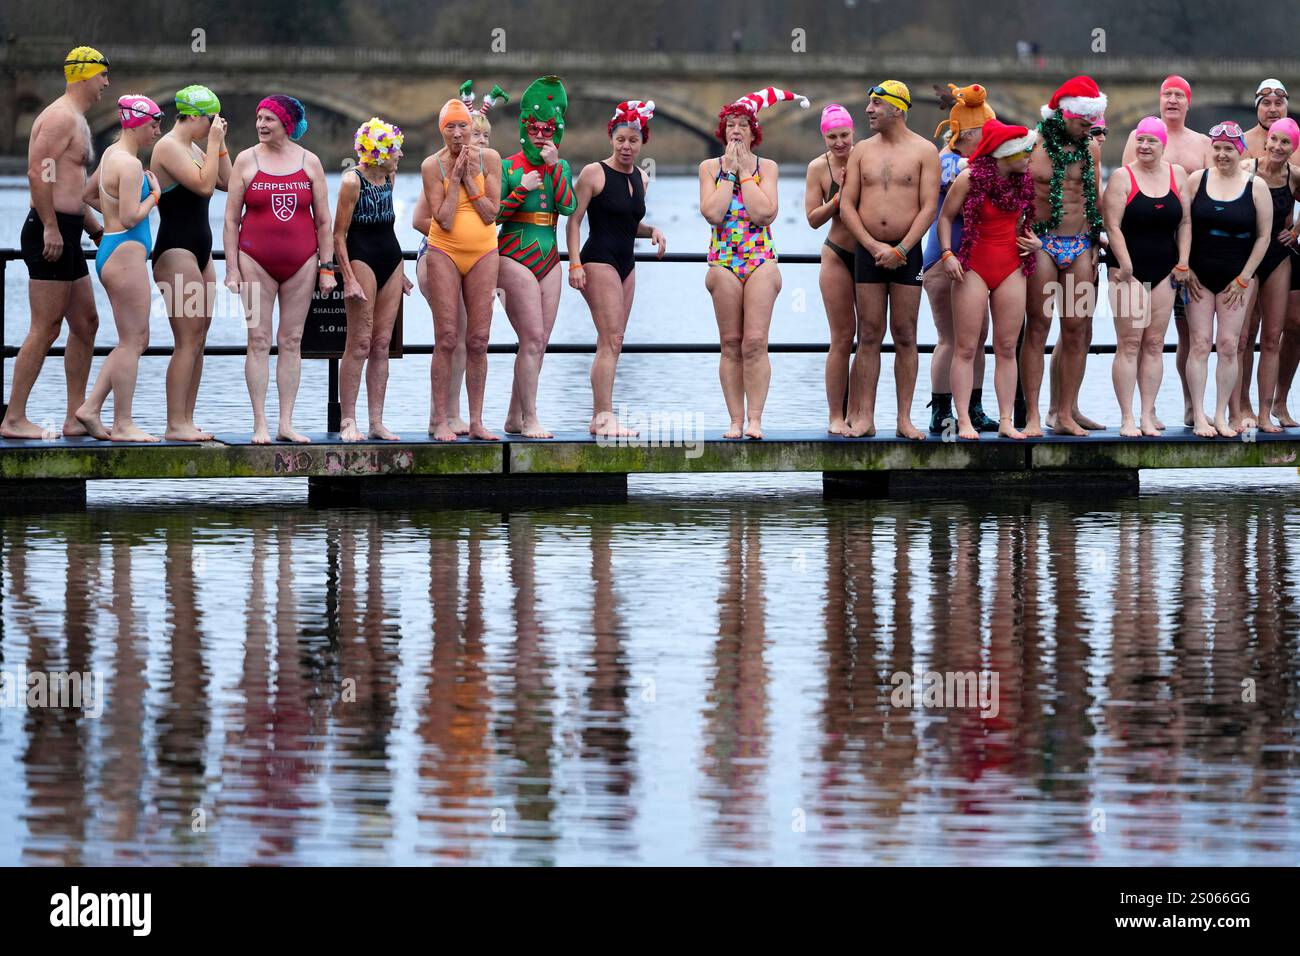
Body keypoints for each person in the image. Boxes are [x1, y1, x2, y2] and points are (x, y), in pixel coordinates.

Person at [3, 46, 108, 440]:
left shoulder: (77, 119)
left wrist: (94, 228)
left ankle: (75, 415)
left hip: (69, 227)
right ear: (84, 76)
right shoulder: (60, 117)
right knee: (45, 327)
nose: (106, 84)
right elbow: (37, 173)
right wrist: (49, 226)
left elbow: (71, 185)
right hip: (49, 230)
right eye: (102, 76)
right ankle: (14, 417)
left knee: (86, 324)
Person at [224, 94, 335, 444]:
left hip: (302, 260)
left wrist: (327, 268)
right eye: (258, 117)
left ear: (286, 124)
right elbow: (230, 220)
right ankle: (260, 424)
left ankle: (286, 423)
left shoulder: (310, 162)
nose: (260, 124)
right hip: (255, 259)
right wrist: (231, 269)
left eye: (269, 118)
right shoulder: (246, 160)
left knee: (291, 340)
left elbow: (324, 222)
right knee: (258, 340)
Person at [700, 86, 807, 440]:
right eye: (731, 124)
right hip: (724, 260)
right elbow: (713, 214)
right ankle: (734, 420)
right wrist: (729, 173)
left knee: (755, 342)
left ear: (754, 132)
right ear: (722, 130)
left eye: (743, 125)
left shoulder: (768, 168)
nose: (736, 131)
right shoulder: (709, 168)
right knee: (730, 342)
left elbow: (764, 215)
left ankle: (756, 420)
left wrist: (746, 172)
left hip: (760, 258)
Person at [839, 80, 941, 439]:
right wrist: (870, 244)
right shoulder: (862, 150)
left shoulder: (925, 151)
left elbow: (929, 206)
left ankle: (904, 419)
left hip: (907, 251)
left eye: (875, 104)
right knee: (868, 333)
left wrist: (902, 248)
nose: (868, 110)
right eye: (869, 104)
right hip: (868, 251)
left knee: (905, 334)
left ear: (897, 108)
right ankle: (864, 417)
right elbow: (847, 204)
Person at [567, 100, 666, 436]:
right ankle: (603, 417)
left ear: (642, 144)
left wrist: (651, 230)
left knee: (614, 340)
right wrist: (575, 263)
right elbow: (575, 220)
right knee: (610, 338)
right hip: (598, 258)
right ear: (612, 138)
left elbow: (627, 222)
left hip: (627, 262)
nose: (626, 146)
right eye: (621, 139)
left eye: (633, 141)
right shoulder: (594, 173)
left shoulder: (641, 177)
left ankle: (602, 417)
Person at [937, 119, 1040, 440]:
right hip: (973, 265)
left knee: (1007, 347)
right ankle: (965, 420)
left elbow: (1027, 223)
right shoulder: (969, 178)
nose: (1030, 157)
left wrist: (1036, 243)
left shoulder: (1023, 182)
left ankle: (1007, 420)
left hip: (1011, 265)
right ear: (1005, 153)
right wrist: (947, 254)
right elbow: (945, 218)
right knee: (966, 347)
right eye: (1025, 152)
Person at [413, 82, 506, 436]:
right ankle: (439, 420)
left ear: (472, 128)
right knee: (447, 337)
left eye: (462, 126)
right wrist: (454, 178)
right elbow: (445, 218)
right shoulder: (431, 165)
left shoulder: (491, 160)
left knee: (479, 338)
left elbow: (490, 214)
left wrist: (471, 181)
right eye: (450, 127)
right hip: (444, 252)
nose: (457, 133)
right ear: (442, 130)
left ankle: (477, 421)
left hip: (483, 251)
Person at [1121, 75, 1213, 430]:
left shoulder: (1202, 143)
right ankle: (1149, 410)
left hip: (1188, 251)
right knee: (1143, 334)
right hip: (1147, 249)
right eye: (1167, 94)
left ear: (1188, 103)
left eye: (1179, 95)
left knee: (1189, 332)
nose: (1172, 100)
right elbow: (1125, 188)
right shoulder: (1142, 136)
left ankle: (1193, 406)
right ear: (1159, 100)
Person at [73, 95, 163, 442]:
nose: (157, 130)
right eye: (154, 123)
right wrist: (154, 195)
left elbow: (87, 193)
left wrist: (111, 212)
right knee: (132, 341)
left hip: (114, 249)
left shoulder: (111, 153)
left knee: (136, 340)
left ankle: (91, 408)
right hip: (124, 255)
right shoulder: (128, 165)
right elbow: (130, 216)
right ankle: (122, 423)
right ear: (136, 123)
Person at [1023, 75, 1107, 437]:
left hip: (1079, 244)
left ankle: (1064, 413)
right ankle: (1031, 415)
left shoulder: (1091, 148)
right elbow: (1014, 193)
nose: (1088, 128)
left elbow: (1095, 198)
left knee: (1075, 330)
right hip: (1041, 242)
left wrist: (1097, 240)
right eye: (1083, 122)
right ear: (1063, 114)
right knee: (1038, 329)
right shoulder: (1030, 144)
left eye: (1092, 123)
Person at [497, 75, 577, 439]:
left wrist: (555, 167)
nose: (540, 135)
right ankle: (531, 418)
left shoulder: (560, 167)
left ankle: (515, 416)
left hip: (550, 255)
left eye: (548, 130)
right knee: (530, 337)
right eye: (534, 129)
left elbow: (568, 205)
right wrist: (519, 192)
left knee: (539, 341)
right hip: (513, 253)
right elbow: (493, 216)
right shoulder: (507, 166)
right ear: (523, 128)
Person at [150, 84, 230, 442]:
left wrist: (220, 143)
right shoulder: (167, 146)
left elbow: (226, 180)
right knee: (185, 339)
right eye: (211, 119)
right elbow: (203, 187)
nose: (214, 125)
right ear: (195, 114)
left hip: (201, 251)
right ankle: (174, 423)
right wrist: (212, 144)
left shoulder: (197, 146)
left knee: (200, 337)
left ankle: (187, 419)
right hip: (176, 249)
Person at [1102, 117, 1190, 437]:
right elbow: (1111, 226)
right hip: (1129, 272)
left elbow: (1185, 223)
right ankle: (1127, 417)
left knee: (1154, 344)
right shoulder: (1122, 178)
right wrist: (1124, 265)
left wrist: (1182, 261)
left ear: (1163, 145)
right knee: (1129, 344)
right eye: (1140, 140)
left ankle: (1147, 415)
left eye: (1151, 141)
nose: (1144, 146)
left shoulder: (1176, 174)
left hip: (1165, 269)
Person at [1184, 121, 1271, 438]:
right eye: (1217, 148)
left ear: (1240, 151)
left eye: (1228, 149)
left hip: (1236, 279)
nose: (1222, 154)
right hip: (1198, 277)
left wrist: (1246, 276)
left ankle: (1221, 415)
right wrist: (1185, 266)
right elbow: (1184, 226)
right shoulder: (1197, 181)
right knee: (1199, 344)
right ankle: (1200, 418)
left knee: (1229, 345)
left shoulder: (1255, 187)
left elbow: (1263, 237)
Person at [922, 83, 996, 434]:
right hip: (944, 257)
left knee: (978, 337)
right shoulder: (947, 161)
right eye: (985, 131)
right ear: (966, 134)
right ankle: (941, 409)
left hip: (980, 259)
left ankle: (975, 407)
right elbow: (950, 184)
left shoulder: (987, 162)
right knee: (950, 338)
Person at [335, 117, 409, 442]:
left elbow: (389, 226)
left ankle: (376, 422)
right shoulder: (353, 181)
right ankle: (348, 420)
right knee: (360, 342)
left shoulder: (389, 177)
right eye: (396, 150)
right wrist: (348, 279)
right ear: (380, 152)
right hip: (361, 254)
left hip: (391, 256)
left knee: (381, 344)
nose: (400, 156)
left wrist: (402, 274)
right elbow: (338, 235)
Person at [1234, 118, 1299, 432]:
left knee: (1272, 339)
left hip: (1277, 257)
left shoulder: (1293, 175)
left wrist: (1296, 231)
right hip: (1246, 256)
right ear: (1266, 140)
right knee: (1242, 337)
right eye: (1274, 140)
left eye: (1285, 143)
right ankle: (1239, 407)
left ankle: (1264, 412)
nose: (1277, 147)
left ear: (1293, 149)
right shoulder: (1246, 169)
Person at [804, 103, 858, 434]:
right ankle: (835, 415)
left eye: (844, 135)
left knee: (868, 339)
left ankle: (860, 413)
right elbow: (812, 219)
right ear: (824, 137)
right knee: (841, 338)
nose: (839, 143)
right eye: (832, 137)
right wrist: (836, 201)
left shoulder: (865, 155)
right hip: (836, 253)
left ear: (854, 133)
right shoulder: (817, 168)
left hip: (868, 255)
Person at [1245, 80, 1290, 158]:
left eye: (1278, 103)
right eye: (1266, 103)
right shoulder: (1241, 143)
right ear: (1257, 107)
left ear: (1286, 107)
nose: (1273, 109)